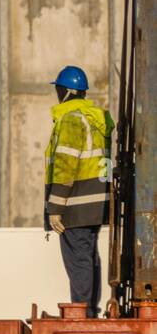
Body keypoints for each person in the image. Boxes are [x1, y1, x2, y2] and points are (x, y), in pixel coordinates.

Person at [45, 65, 114, 319]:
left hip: (76, 203)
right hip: (96, 203)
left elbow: (65, 165)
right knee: (88, 256)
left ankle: (82, 314)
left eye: (59, 89)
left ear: (67, 92)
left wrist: (55, 209)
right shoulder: (96, 120)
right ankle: (90, 311)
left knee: (78, 259)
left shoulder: (72, 119)